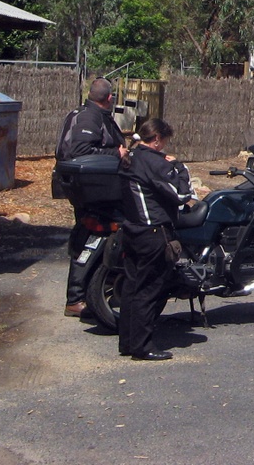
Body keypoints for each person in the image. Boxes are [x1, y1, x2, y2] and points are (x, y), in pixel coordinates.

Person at [117, 118, 193, 361]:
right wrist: (179, 168)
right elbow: (181, 194)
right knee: (149, 290)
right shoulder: (154, 162)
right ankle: (143, 346)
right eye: (166, 140)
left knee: (132, 286)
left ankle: (128, 342)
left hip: (131, 230)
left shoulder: (131, 157)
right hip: (153, 233)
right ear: (157, 139)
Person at [60, 78, 127, 318]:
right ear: (109, 98)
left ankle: (85, 294)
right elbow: (80, 152)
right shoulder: (90, 118)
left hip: (92, 189)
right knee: (92, 238)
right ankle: (76, 298)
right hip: (93, 192)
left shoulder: (86, 114)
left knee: (90, 237)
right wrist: (116, 152)